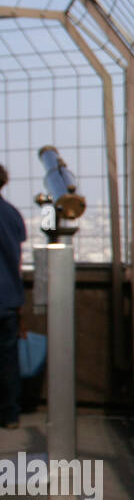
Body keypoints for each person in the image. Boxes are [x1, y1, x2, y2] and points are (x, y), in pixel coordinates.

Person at [0, 164, 26, 428]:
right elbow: (16, 260)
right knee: (8, 358)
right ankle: (10, 414)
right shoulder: (12, 214)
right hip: (8, 297)